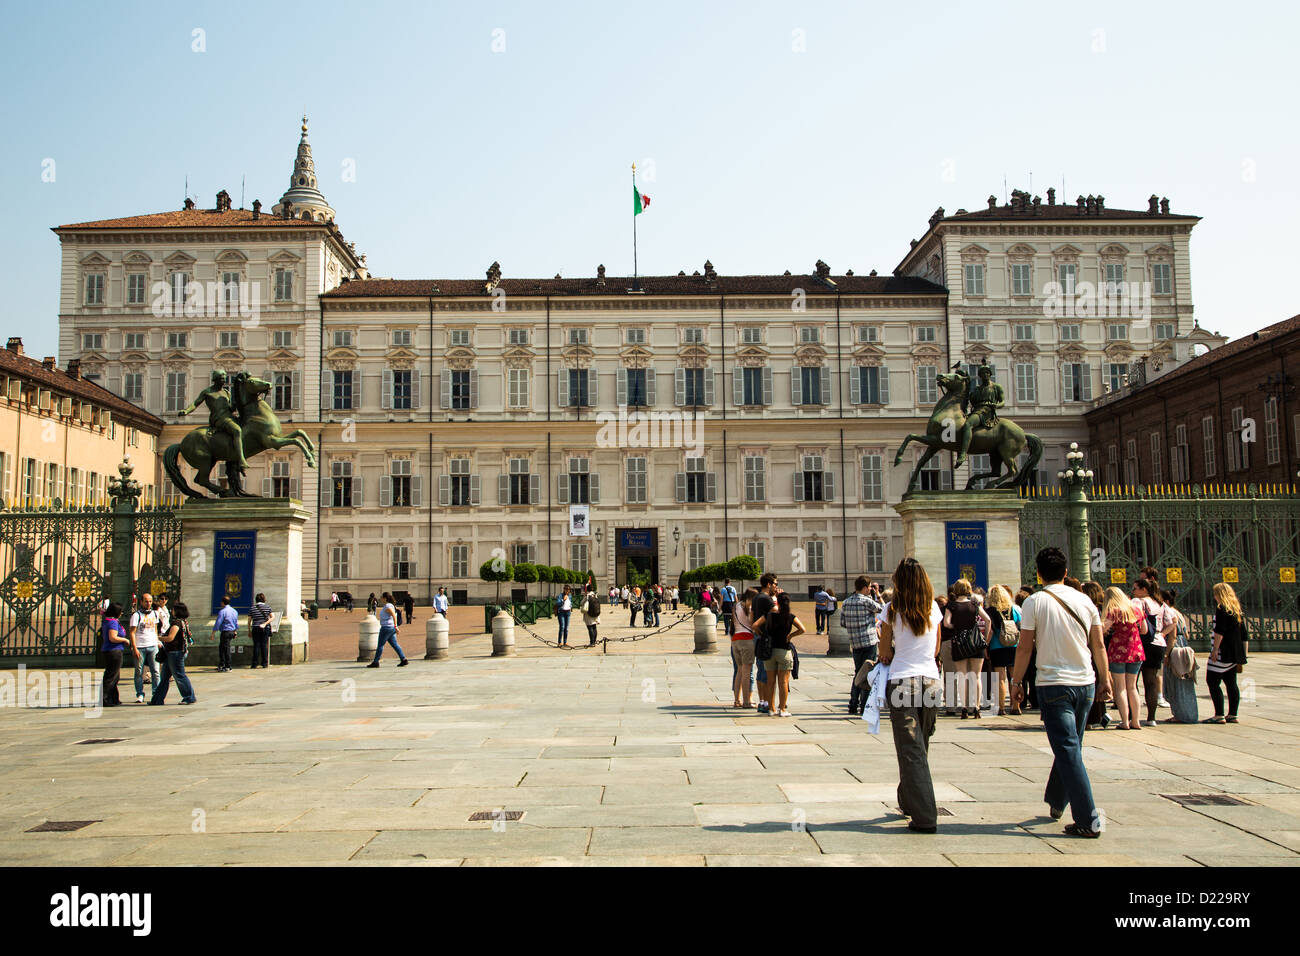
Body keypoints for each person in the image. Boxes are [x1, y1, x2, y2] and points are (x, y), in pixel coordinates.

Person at [1012, 547, 1112, 838]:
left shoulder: (1035, 601)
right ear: (1066, 573)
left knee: (1068, 749)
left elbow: (1026, 646)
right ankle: (1057, 800)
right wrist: (1105, 679)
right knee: (1071, 747)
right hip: (1086, 682)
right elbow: (1099, 646)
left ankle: (1088, 820)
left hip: (1054, 684)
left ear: (1039, 573)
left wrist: (1017, 682)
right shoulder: (1085, 601)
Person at [876, 557, 944, 833]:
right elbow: (937, 648)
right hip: (930, 682)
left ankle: (925, 817)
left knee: (910, 750)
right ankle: (908, 800)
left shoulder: (891, 610)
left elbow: (884, 653)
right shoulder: (934, 609)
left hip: (902, 681)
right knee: (920, 747)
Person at [179, 368, 248, 471]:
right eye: (221, 378)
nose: (224, 380)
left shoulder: (226, 392)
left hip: (229, 417)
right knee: (237, 430)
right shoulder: (208, 392)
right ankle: (241, 459)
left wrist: (236, 404)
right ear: (215, 379)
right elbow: (195, 403)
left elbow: (230, 408)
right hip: (218, 418)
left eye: (224, 378)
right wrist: (186, 411)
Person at [752, 591, 805, 718]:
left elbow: (754, 625)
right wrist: (790, 636)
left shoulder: (769, 615)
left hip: (770, 651)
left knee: (770, 682)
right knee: (783, 682)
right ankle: (782, 709)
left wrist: (762, 634)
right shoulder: (790, 616)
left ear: (778, 603)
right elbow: (802, 629)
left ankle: (771, 708)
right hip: (784, 651)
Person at [944, 579, 991, 718]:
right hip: (976, 642)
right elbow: (987, 620)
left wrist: (956, 627)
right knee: (976, 676)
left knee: (962, 676)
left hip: (959, 642)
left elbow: (946, 624)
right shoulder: (974, 604)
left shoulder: (951, 605)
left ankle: (964, 707)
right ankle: (976, 707)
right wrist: (984, 638)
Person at [1101, 586, 1146, 731]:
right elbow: (1144, 630)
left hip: (1118, 651)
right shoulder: (1136, 609)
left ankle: (1125, 721)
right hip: (1136, 649)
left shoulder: (1113, 611)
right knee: (1132, 687)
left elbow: (1102, 629)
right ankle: (1136, 720)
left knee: (1120, 688)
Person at [1133, 578, 1173, 727]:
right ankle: (1151, 717)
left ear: (1144, 590)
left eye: (1135, 588)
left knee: (1133, 681)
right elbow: (1172, 621)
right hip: (1158, 643)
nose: (1134, 592)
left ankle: (1133, 716)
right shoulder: (1160, 603)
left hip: (1142, 642)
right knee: (1151, 681)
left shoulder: (1139, 601)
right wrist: (1162, 633)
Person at [1204, 583, 1246, 724]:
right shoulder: (1236, 609)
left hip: (1223, 652)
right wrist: (1243, 655)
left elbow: (1219, 631)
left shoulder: (1222, 608)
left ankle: (1219, 714)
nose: (1214, 596)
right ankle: (1233, 714)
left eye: (1215, 593)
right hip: (1234, 653)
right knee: (1231, 682)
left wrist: (1215, 649)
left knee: (1212, 681)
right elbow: (1244, 635)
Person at [841, 576, 884, 714]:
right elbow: (884, 609)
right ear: (865, 588)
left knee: (858, 672)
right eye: (870, 587)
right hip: (869, 641)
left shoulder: (846, 602)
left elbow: (842, 623)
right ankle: (864, 704)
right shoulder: (867, 601)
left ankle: (853, 703)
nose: (871, 589)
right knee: (868, 673)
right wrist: (877, 595)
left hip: (855, 643)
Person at [1161, 589, 1198, 724]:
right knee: (1184, 681)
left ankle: (1180, 714)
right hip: (1184, 646)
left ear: (1166, 601)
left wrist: (1167, 654)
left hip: (1175, 649)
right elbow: (1186, 633)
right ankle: (1187, 713)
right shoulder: (1179, 613)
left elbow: (1173, 635)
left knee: (1175, 681)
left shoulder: (1169, 613)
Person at [150, 601, 196, 705]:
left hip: (175, 653)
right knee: (165, 677)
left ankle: (189, 697)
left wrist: (157, 637)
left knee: (179, 675)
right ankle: (157, 699)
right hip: (173, 652)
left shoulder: (177, 623)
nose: (172, 611)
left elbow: (170, 638)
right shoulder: (183, 622)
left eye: (174, 609)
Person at [985, 584, 1021, 716]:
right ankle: (1016, 706)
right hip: (1013, 645)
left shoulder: (990, 611)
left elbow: (990, 632)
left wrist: (985, 646)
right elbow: (1019, 625)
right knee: (1014, 678)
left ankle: (1001, 708)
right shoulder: (1014, 609)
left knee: (1000, 678)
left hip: (997, 646)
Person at [1080, 581, 1109, 728]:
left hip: (1090, 650)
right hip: (1094, 651)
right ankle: (1094, 717)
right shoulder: (1098, 608)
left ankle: (1091, 718)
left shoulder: (1090, 609)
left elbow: (1097, 640)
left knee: (1093, 683)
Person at [751, 573, 779, 714]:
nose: (776, 586)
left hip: (758, 637)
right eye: (775, 584)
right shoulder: (766, 599)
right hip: (765, 638)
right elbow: (775, 611)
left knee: (761, 670)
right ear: (769, 584)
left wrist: (755, 629)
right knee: (766, 671)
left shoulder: (756, 597)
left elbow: (751, 615)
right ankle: (766, 702)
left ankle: (762, 701)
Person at [128, 592, 162, 702]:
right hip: (140, 646)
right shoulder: (136, 615)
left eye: (150, 601)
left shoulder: (155, 614)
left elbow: (155, 628)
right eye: (146, 601)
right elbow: (132, 632)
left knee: (155, 671)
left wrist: (157, 640)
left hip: (152, 645)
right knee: (139, 671)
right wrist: (134, 647)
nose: (148, 603)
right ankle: (140, 693)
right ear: (141, 602)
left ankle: (156, 693)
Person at [100, 602, 131, 707]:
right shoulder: (112, 622)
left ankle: (114, 698)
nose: (122, 613)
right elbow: (113, 637)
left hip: (110, 651)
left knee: (114, 676)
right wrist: (125, 640)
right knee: (111, 676)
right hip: (114, 651)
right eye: (120, 612)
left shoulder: (108, 621)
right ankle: (105, 699)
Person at [731, 588, 758, 708]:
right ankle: (747, 701)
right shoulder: (749, 608)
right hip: (747, 639)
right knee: (747, 672)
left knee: (739, 671)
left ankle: (737, 700)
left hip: (735, 639)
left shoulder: (736, 606)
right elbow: (752, 624)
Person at [367, 592, 409, 667]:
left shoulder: (388, 606)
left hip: (386, 628)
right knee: (395, 644)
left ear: (385, 598)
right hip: (390, 628)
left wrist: (396, 626)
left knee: (380, 645)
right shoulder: (389, 605)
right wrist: (394, 626)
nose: (380, 599)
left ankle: (376, 662)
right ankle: (403, 659)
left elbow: (393, 615)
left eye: (381, 597)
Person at [213, 595, 239, 672]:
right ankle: (222, 664)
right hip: (231, 631)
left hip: (226, 632)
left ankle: (227, 666)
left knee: (225, 649)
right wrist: (235, 631)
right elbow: (235, 622)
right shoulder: (234, 611)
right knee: (223, 647)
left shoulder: (223, 611)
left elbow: (218, 622)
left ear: (223, 602)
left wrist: (213, 633)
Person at [248, 592, 273, 668]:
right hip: (264, 628)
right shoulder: (268, 607)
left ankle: (254, 663)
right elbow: (272, 617)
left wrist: (249, 630)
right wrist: (265, 623)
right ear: (264, 599)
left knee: (256, 645)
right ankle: (264, 663)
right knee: (264, 645)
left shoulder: (252, 608)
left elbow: (249, 620)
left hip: (255, 627)